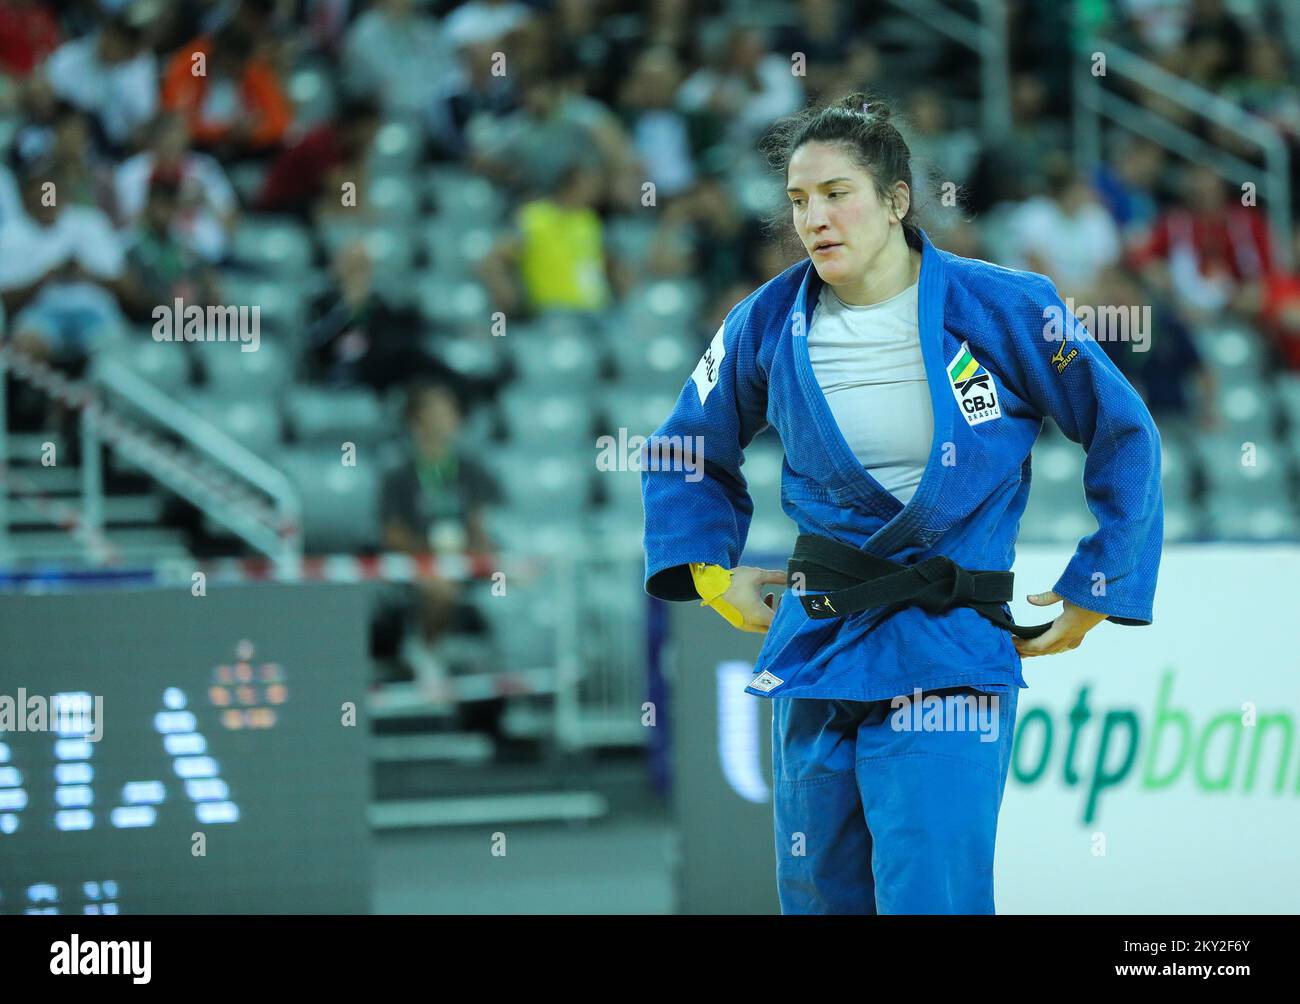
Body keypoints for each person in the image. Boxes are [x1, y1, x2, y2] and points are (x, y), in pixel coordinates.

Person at [640, 93, 1163, 915]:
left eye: (837, 193)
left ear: (895, 200)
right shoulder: (766, 321)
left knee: (931, 897)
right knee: (819, 899)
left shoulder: (1005, 307)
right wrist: (710, 574)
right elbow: (683, 450)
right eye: (798, 200)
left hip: (948, 648)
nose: (815, 217)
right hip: (819, 643)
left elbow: (1126, 433)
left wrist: (1097, 587)